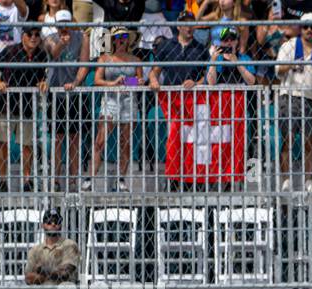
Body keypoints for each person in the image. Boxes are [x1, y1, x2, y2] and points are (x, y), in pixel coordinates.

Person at [0, 23, 48, 194]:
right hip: (6, 105)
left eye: (37, 34)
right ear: (23, 35)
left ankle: (27, 180)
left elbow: (42, 76)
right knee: (3, 144)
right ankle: (2, 180)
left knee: (27, 146)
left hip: (27, 107)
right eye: (30, 34)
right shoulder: (11, 51)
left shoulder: (41, 55)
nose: (33, 37)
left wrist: (43, 82)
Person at [275, 12, 312, 192]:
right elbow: (278, 70)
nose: (309, 30)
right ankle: (286, 179)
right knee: (287, 138)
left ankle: (308, 180)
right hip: (289, 94)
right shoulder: (289, 46)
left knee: (310, 141)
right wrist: (292, 64)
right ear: (300, 28)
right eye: (305, 26)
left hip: (311, 97)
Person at [88, 27, 143, 192]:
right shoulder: (104, 58)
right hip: (110, 100)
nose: (120, 40)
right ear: (112, 40)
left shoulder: (136, 60)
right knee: (100, 140)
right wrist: (113, 84)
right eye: (117, 37)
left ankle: (120, 179)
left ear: (129, 40)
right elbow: (97, 80)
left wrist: (126, 82)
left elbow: (141, 81)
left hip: (128, 101)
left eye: (124, 36)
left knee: (125, 143)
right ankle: (90, 178)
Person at [45, 10, 90, 193]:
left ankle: (73, 179)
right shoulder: (50, 38)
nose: (64, 27)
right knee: (57, 139)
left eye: (67, 23)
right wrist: (61, 44)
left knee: (74, 139)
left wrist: (76, 83)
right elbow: (53, 54)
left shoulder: (82, 37)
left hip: (75, 93)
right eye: (60, 24)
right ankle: (55, 179)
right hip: (56, 93)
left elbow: (84, 64)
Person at [148, 13, 209, 90]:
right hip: (170, 96)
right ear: (178, 26)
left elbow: (209, 75)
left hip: (193, 96)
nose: (189, 27)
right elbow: (155, 70)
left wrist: (196, 83)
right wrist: (153, 80)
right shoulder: (166, 45)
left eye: (192, 23)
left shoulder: (201, 49)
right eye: (185, 24)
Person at [25, 208, 81, 285]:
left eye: (56, 221)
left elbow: (64, 274)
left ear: (61, 225)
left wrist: (42, 270)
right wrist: (54, 272)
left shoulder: (69, 245)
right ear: (42, 225)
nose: (53, 224)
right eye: (49, 222)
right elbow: (28, 279)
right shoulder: (35, 250)